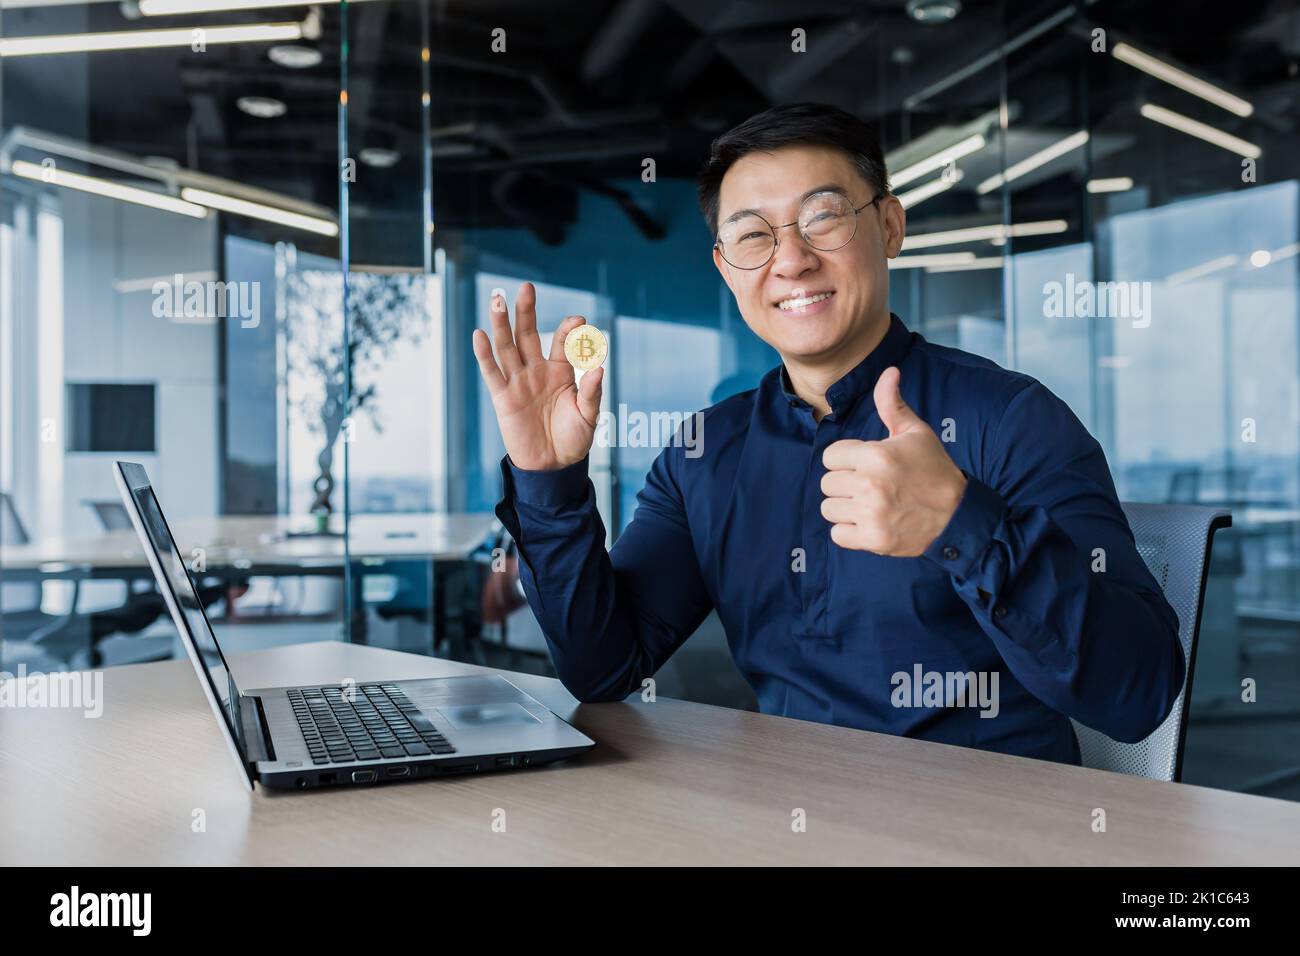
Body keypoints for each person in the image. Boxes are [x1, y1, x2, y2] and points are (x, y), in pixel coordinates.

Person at [471, 102, 1183, 764]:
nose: (791, 260)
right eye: (753, 236)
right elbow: (603, 669)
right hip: (792, 822)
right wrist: (549, 478)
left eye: (824, 218)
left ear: (891, 227)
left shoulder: (1010, 419)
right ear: (726, 268)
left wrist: (963, 521)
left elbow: (1140, 692)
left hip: (992, 830)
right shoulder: (704, 455)